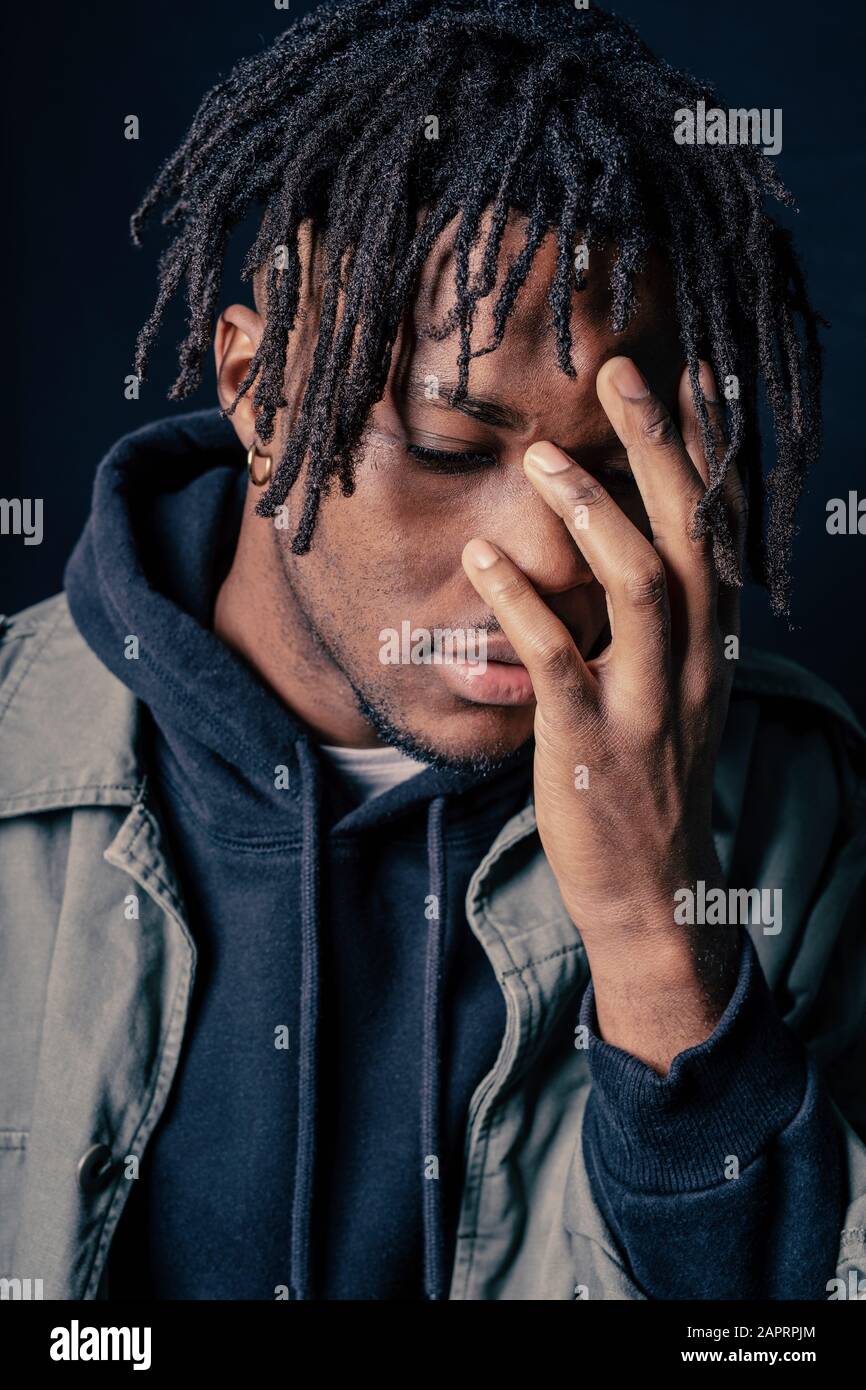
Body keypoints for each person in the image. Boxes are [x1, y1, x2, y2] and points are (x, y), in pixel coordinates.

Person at [2, 0, 865, 1301]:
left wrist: (653, 924)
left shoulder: (806, 808)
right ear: (253, 385)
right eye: (452, 450)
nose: (547, 556)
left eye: (609, 472)